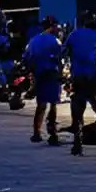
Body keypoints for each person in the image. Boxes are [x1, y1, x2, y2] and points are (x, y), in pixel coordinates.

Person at [64, 11, 96, 156]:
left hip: (78, 77)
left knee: (77, 111)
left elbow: (64, 52)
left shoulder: (73, 35)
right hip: (95, 79)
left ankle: (77, 143)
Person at [23, 17, 63, 146]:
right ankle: (52, 133)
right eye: (56, 26)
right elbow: (60, 58)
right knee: (53, 104)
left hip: (38, 75)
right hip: (51, 75)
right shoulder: (55, 41)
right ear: (51, 27)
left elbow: (27, 58)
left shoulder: (33, 41)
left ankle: (37, 132)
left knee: (41, 104)